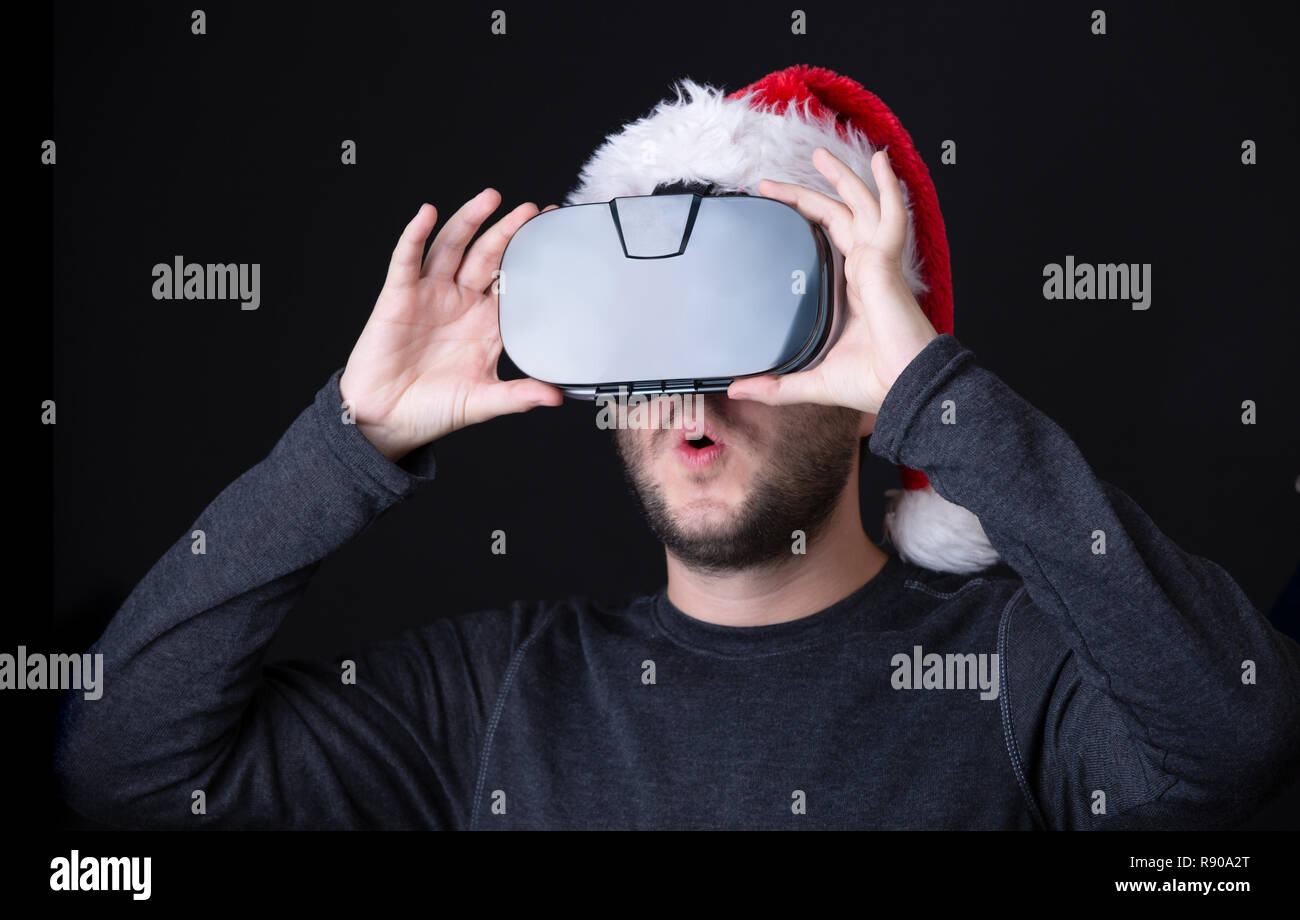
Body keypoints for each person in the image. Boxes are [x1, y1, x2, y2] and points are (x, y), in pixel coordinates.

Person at [53, 65, 1300, 830]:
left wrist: (939, 392)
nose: (689, 384)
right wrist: (347, 441)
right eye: (648, 329)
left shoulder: (1013, 676)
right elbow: (123, 764)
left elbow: (1238, 733)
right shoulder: (494, 696)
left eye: (754, 326)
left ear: (873, 381)